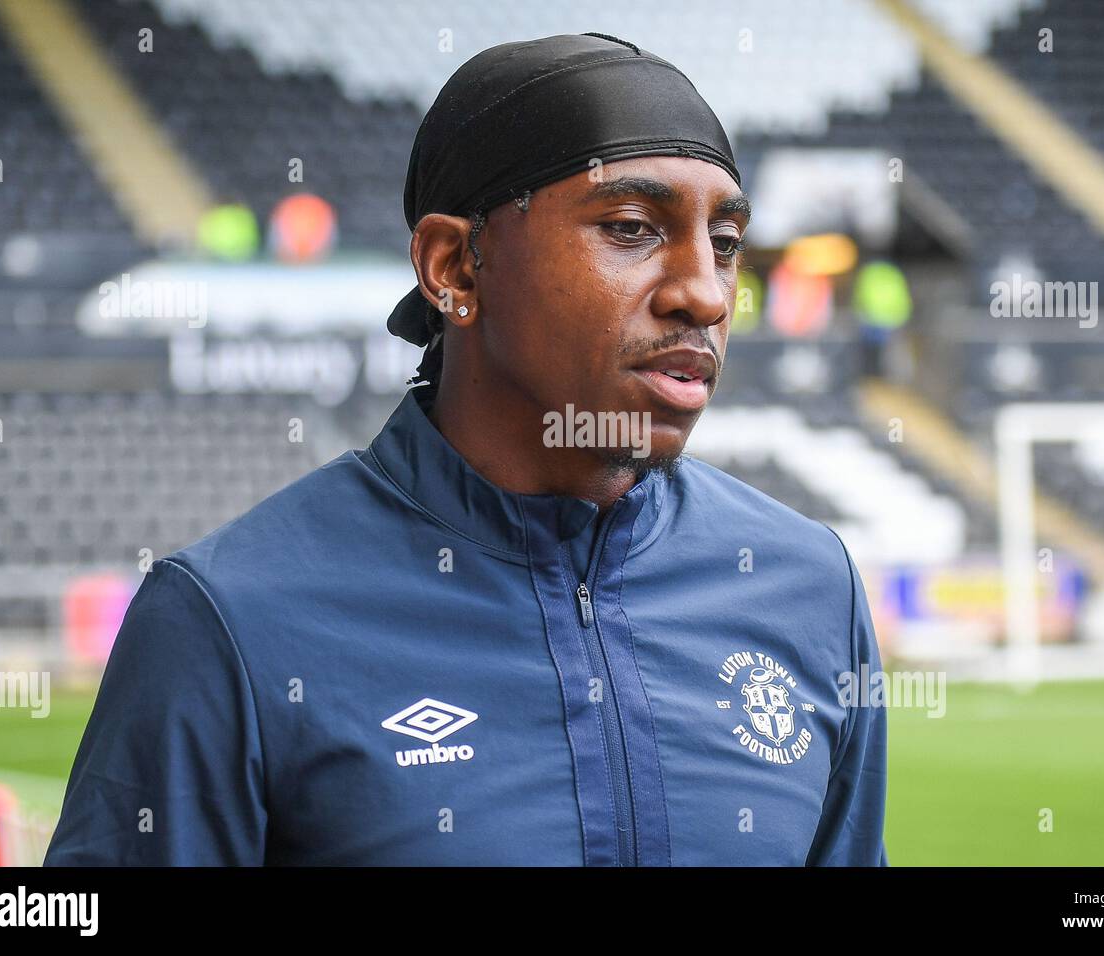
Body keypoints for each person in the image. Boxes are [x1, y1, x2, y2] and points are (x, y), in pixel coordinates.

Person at [44, 32, 888, 867]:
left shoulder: (808, 586)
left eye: (726, 243)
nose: (705, 293)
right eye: (632, 227)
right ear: (454, 267)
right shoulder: (228, 619)